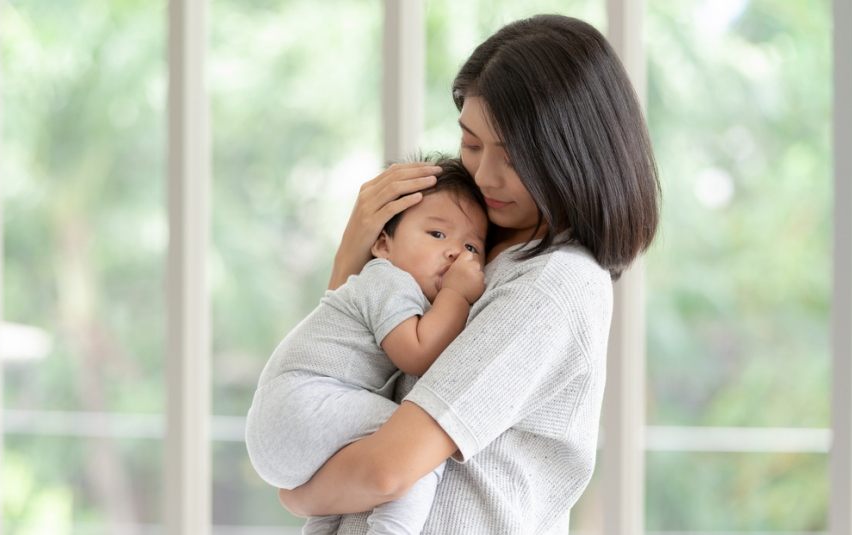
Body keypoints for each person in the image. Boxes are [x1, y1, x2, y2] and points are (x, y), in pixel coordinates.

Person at [274, 14, 660, 534]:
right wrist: (353, 260)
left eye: (514, 157)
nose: (484, 175)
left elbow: (386, 469)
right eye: (472, 144)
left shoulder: (551, 286)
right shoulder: (476, 250)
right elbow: (345, 375)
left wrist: (301, 495)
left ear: (575, 156)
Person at [245, 157, 489, 535]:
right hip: (304, 402)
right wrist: (457, 294)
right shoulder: (386, 281)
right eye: (437, 235)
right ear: (382, 245)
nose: (456, 252)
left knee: (345, 481)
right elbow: (418, 354)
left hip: (288, 421)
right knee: (417, 454)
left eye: (472, 246)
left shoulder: (403, 292)